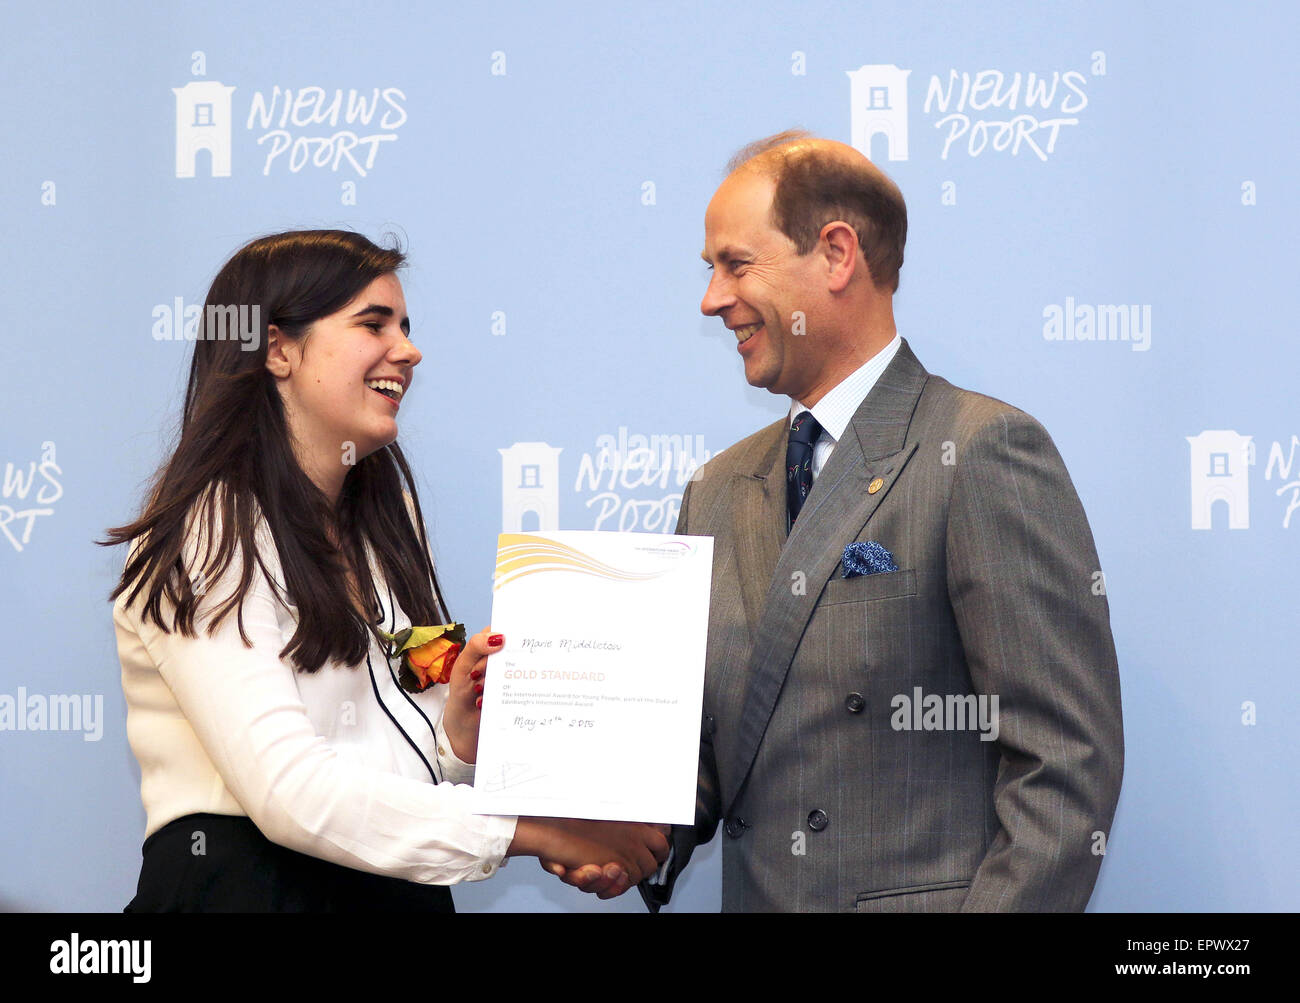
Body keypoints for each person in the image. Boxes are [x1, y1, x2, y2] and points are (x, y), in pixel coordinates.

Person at [561, 131, 1124, 910]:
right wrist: (619, 839)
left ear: (835, 254)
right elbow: (716, 742)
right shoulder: (719, 487)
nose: (711, 299)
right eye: (709, 269)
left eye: (735, 263)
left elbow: (1064, 765)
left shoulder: (980, 450)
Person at [102, 229, 666, 911]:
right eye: (374, 324)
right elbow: (290, 793)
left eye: (405, 325)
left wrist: (460, 733)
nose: (408, 349)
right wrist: (540, 829)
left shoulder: (388, 524)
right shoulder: (211, 528)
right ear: (277, 347)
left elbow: (416, 760)